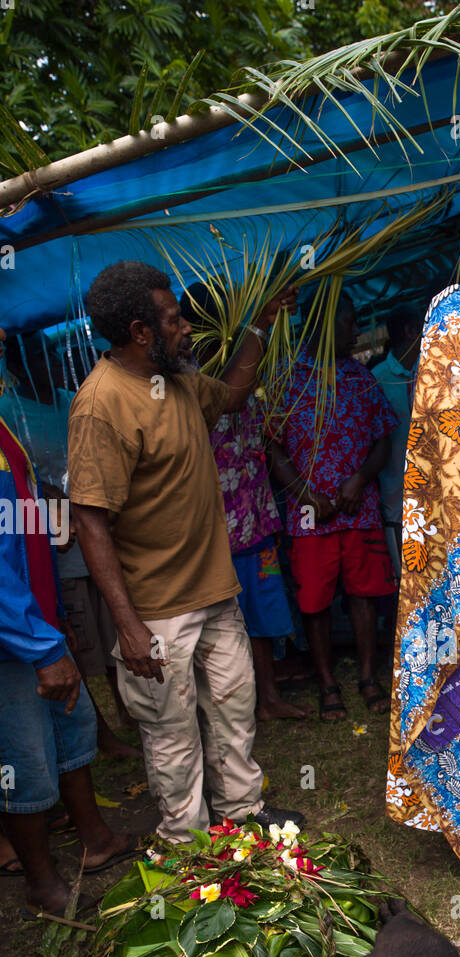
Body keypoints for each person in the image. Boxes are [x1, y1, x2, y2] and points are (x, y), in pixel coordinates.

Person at [67, 261, 302, 841]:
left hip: (215, 590)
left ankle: (243, 816)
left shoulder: (175, 379)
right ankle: (189, 843)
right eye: (173, 320)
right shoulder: (101, 406)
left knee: (233, 710)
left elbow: (234, 396)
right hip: (155, 610)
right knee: (172, 733)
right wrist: (127, 624)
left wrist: (262, 323)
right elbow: (90, 522)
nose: (186, 329)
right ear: (140, 332)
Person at [0, 327, 135, 918]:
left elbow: (21, 535)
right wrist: (35, 640)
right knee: (24, 759)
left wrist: (52, 620)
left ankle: (96, 842)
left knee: (74, 733)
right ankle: (42, 881)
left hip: (35, 623)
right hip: (12, 642)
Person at [269, 291, 398, 720]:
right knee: (315, 602)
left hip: (357, 511)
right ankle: (327, 682)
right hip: (310, 519)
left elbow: (383, 438)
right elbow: (273, 448)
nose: (357, 330)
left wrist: (360, 480)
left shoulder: (362, 379)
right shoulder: (287, 381)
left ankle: (367, 676)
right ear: (325, 327)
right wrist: (306, 494)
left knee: (365, 597)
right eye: (349, 322)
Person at [179, 283, 304, 722]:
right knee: (224, 625)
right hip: (216, 531)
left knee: (264, 612)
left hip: (257, 518)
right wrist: (262, 322)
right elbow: (228, 399)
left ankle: (267, 698)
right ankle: (236, 708)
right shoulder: (188, 378)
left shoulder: (246, 368)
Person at [371, 307, 424, 577]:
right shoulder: (376, 379)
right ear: (411, 331)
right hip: (397, 509)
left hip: (436, 500)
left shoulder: (432, 370)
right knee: (408, 583)